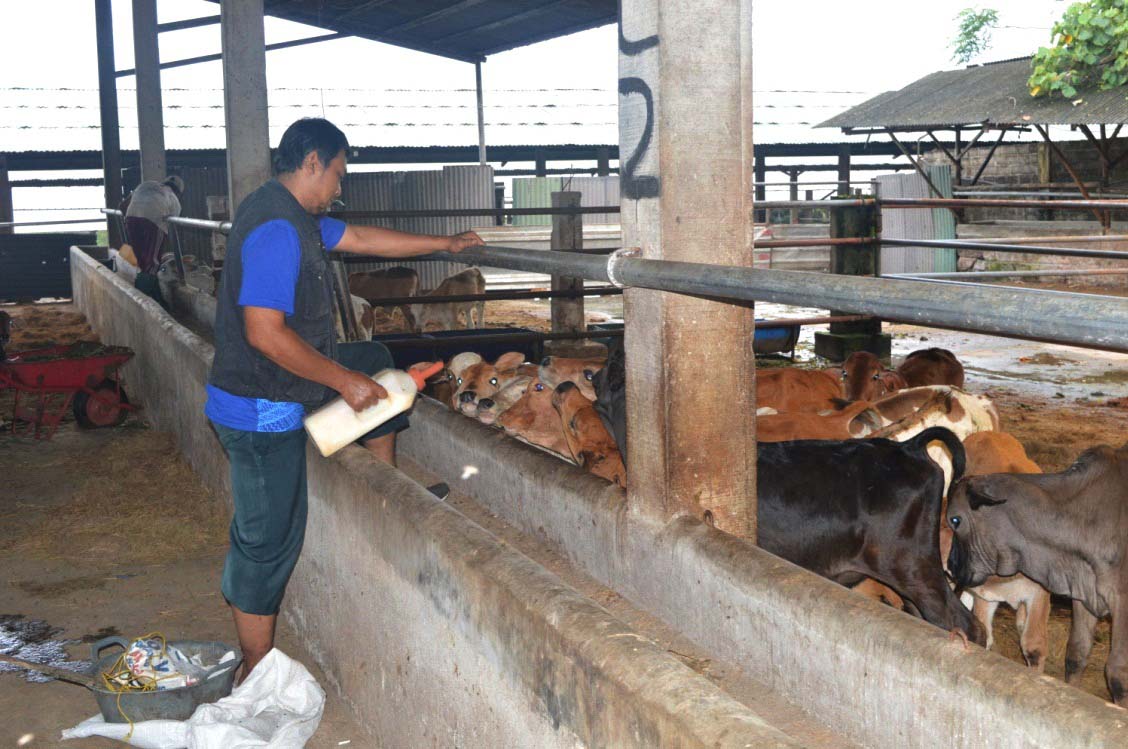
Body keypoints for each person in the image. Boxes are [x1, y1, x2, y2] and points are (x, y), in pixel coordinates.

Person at [204, 118, 484, 681]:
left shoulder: (293, 215)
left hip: (284, 382)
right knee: (269, 535)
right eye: (337, 173)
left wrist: (444, 244)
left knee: (376, 359)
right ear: (312, 162)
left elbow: (358, 238)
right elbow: (265, 333)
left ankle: (385, 486)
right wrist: (341, 382)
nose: (339, 185)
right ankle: (253, 667)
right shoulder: (278, 230)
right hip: (260, 404)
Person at [122, 175, 184, 309]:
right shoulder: (174, 200)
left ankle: (157, 299)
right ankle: (137, 304)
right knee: (152, 264)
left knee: (142, 262)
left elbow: (122, 205)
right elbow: (171, 224)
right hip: (153, 222)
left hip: (131, 219)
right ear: (178, 191)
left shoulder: (146, 185)